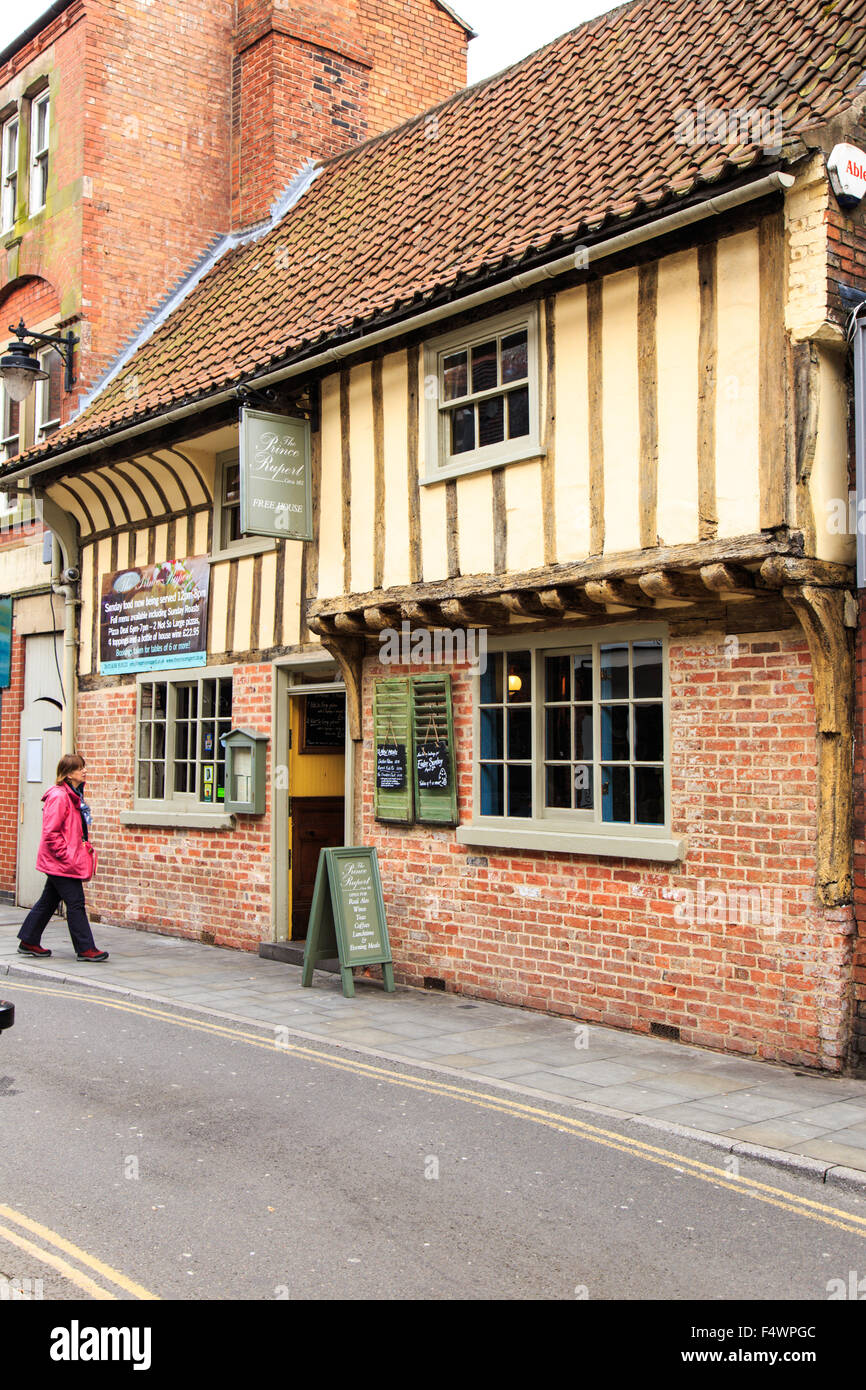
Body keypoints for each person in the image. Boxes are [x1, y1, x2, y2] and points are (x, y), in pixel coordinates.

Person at [17, 753, 108, 963]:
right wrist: (66, 856)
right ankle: (86, 948)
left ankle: (28, 940)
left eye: (84, 767)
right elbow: (51, 833)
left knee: (49, 900)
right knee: (76, 903)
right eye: (80, 768)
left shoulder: (73, 794)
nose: (84, 771)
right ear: (68, 774)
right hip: (61, 862)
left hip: (62, 861)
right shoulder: (59, 797)